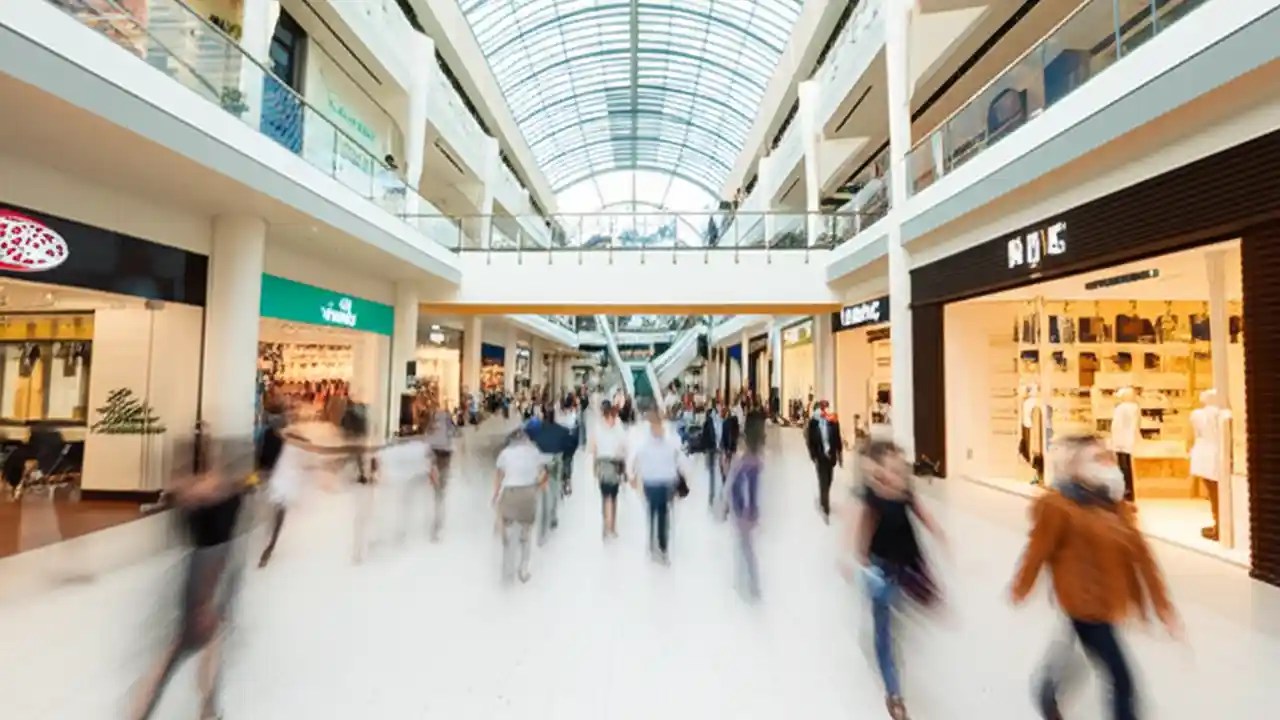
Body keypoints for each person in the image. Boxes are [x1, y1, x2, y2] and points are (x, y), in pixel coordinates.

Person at [1011, 434, 1179, 720]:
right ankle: (1052, 690)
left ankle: (1048, 688)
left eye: (1108, 457)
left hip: (1106, 603)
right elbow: (1038, 550)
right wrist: (1022, 585)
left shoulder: (1115, 507)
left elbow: (1142, 557)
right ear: (1075, 466)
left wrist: (1161, 605)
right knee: (1121, 678)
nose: (1107, 465)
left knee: (1075, 653)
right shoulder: (1059, 507)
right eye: (1097, 458)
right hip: (1083, 603)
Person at [130, 438, 249, 720]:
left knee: (188, 647)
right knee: (189, 646)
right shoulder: (221, 491)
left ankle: (202, 707)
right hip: (212, 570)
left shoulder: (187, 493)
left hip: (203, 567)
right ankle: (198, 709)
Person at [848, 439, 945, 720]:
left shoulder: (904, 493)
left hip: (903, 566)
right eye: (892, 468)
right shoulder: (871, 496)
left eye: (901, 468)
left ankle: (889, 637)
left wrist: (943, 539)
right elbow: (861, 531)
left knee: (894, 619)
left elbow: (925, 518)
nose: (898, 474)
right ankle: (894, 694)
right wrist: (859, 559)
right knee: (883, 632)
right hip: (880, 569)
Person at [628, 402, 686, 564]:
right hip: (656, 482)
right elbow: (636, 458)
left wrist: (632, 475)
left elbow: (677, 459)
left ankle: (659, 545)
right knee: (659, 513)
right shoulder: (654, 440)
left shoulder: (661, 440)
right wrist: (632, 475)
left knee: (658, 513)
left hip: (661, 482)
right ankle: (659, 545)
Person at [493, 428, 548, 583]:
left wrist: (496, 496)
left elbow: (498, 477)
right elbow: (543, 474)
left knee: (507, 528)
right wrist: (538, 487)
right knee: (526, 533)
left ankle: (506, 572)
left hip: (510, 493)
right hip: (528, 494)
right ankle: (523, 569)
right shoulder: (534, 452)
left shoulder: (504, 454)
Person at [726, 413, 765, 600]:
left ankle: (750, 584)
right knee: (743, 546)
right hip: (742, 510)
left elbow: (748, 489)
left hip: (743, 512)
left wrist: (747, 513)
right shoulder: (749, 461)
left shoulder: (749, 463)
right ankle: (744, 582)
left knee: (745, 547)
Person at [527, 413, 573, 545]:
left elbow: (531, 444)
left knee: (542, 495)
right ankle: (552, 517)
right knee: (554, 490)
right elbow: (567, 454)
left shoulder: (538, 431)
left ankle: (540, 528)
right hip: (555, 463)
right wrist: (567, 476)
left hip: (540, 464)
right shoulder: (562, 431)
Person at [420, 388, 455, 541]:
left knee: (436, 488)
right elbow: (455, 433)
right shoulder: (447, 419)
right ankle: (437, 523)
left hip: (434, 456)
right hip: (445, 456)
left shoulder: (432, 420)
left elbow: (426, 436)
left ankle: (434, 522)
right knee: (441, 490)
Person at [590, 400, 628, 539]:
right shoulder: (617, 425)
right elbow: (624, 444)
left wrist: (594, 466)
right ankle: (610, 527)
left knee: (608, 496)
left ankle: (608, 526)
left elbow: (593, 447)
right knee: (611, 496)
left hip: (607, 462)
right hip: (611, 463)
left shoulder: (599, 426)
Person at [806, 400, 843, 523]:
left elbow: (837, 439)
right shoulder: (813, 423)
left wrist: (839, 454)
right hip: (820, 456)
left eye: (825, 408)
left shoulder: (833, 422)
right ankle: (825, 506)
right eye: (821, 408)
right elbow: (810, 440)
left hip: (830, 455)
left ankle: (824, 497)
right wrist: (813, 455)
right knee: (823, 480)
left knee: (829, 479)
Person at [556, 394, 580, 497]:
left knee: (561, 460)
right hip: (570, 441)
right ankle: (568, 481)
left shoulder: (559, 415)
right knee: (568, 461)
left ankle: (561, 481)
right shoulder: (573, 414)